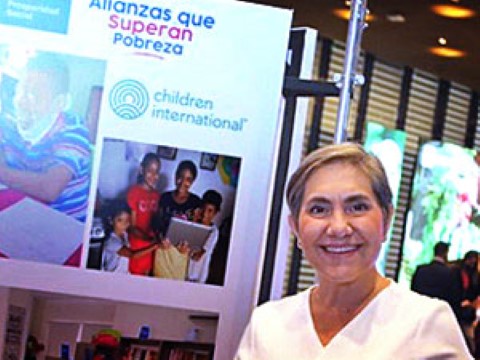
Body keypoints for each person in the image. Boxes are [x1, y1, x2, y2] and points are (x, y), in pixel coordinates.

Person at [235, 142, 471, 359]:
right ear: (295, 227)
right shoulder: (267, 325)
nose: (338, 228)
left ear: (386, 220)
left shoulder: (426, 323)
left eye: (357, 207)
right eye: (319, 209)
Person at [0, 52, 91, 222]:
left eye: (34, 94)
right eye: (20, 90)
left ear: (58, 103)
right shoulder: (8, 122)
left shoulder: (73, 131)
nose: (21, 101)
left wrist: (3, 172)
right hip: (20, 213)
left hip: (63, 225)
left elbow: (49, 188)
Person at [127, 152, 162, 275]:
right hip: (137, 247)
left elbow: (156, 223)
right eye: (150, 171)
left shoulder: (157, 195)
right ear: (142, 170)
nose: (154, 175)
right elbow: (131, 227)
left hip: (151, 248)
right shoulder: (133, 192)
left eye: (156, 171)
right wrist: (149, 239)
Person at [101, 200, 160, 274]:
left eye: (127, 220)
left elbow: (134, 231)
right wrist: (154, 246)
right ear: (111, 221)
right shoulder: (111, 241)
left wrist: (151, 239)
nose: (124, 223)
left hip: (123, 273)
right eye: (120, 220)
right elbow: (132, 255)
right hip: (112, 275)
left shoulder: (124, 234)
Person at [411, 241, 462, 318]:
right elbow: (454, 297)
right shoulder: (450, 273)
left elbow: (413, 290)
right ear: (446, 253)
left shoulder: (420, 269)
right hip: (439, 315)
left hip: (419, 311)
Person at [152, 159, 202, 236]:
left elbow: (194, 229)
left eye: (188, 179)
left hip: (184, 245)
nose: (183, 182)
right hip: (164, 243)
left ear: (192, 181)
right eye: (180, 177)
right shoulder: (165, 198)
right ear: (175, 176)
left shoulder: (196, 202)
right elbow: (157, 225)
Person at [187, 189, 223, 283]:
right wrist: (194, 220)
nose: (205, 214)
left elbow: (200, 254)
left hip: (199, 274)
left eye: (210, 211)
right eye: (203, 209)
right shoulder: (194, 224)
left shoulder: (214, 231)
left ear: (215, 213)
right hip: (185, 270)